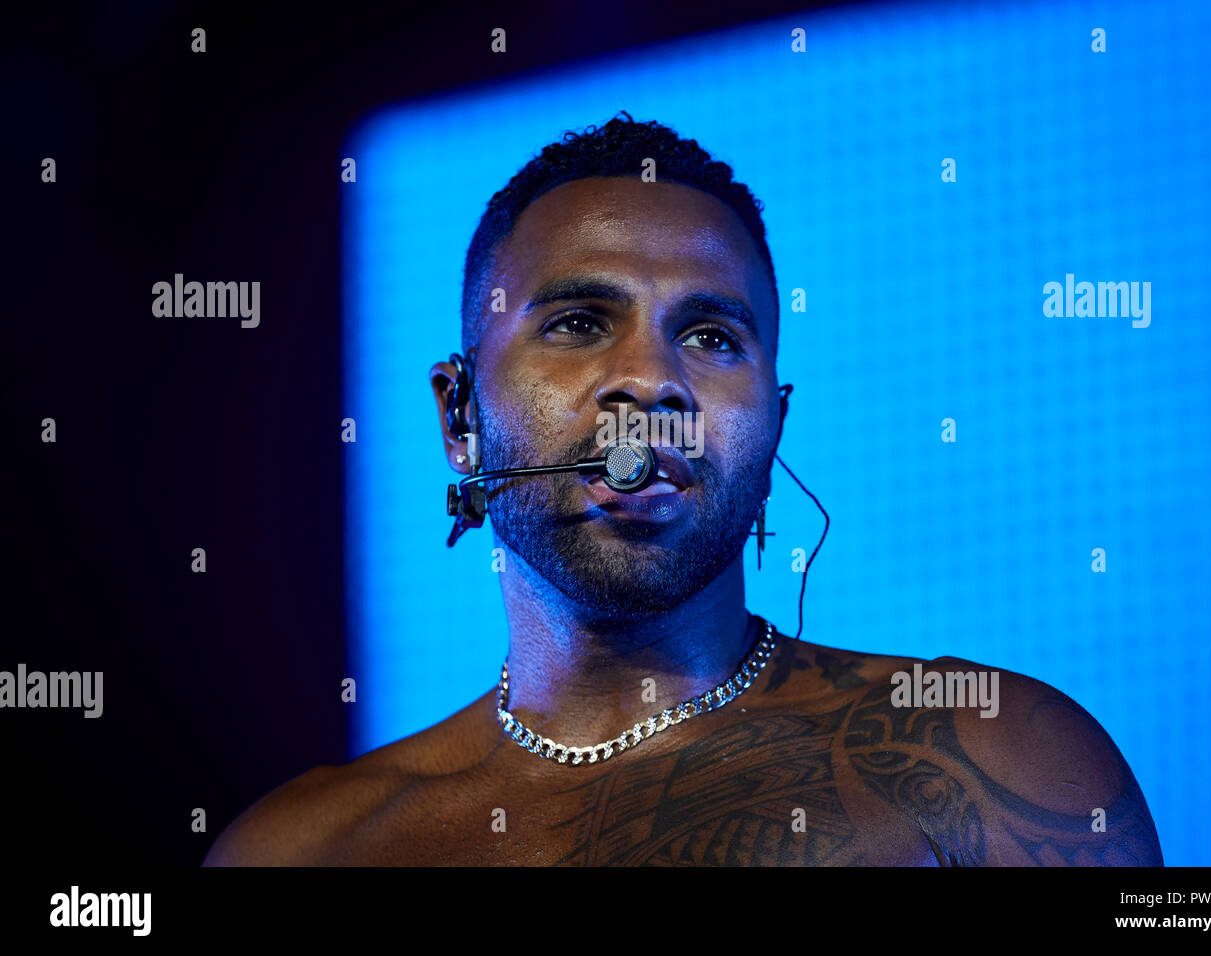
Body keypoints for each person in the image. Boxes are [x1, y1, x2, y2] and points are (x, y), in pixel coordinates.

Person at [204, 113, 1162, 866]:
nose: (652, 380)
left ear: (772, 427)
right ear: (460, 419)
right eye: (580, 321)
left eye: (711, 338)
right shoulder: (298, 848)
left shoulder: (998, 757)